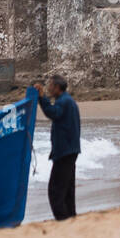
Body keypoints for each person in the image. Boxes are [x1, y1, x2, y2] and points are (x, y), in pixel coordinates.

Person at [34, 75, 80, 220]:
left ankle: (62, 219)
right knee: (67, 190)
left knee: (55, 190)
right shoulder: (68, 101)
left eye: (51, 86)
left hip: (65, 151)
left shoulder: (64, 102)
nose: (48, 88)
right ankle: (70, 217)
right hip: (71, 150)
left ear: (58, 88)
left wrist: (42, 98)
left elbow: (52, 113)